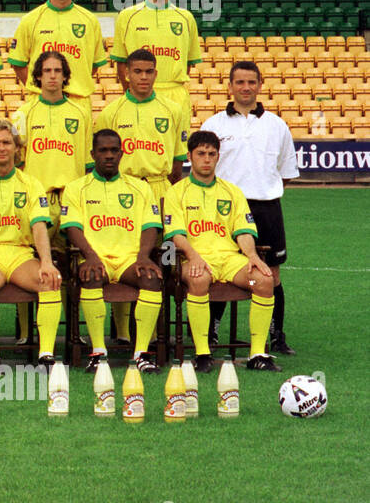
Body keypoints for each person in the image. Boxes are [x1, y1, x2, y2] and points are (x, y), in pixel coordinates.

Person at [164, 130, 281, 373]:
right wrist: (195, 256)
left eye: (211, 154)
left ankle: (258, 353)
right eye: (201, 154)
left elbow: (244, 231)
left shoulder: (232, 192)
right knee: (199, 279)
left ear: (218, 157)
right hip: (193, 259)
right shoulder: (176, 192)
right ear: (189, 156)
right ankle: (202, 353)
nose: (206, 159)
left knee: (262, 280)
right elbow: (176, 235)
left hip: (230, 263)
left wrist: (252, 256)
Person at [203, 60, 298, 355]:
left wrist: (262, 191)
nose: (246, 87)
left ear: (260, 85)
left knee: (272, 273)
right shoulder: (213, 125)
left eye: (251, 82)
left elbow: (285, 172)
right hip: (224, 209)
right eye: (240, 82)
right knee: (219, 270)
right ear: (229, 86)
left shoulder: (277, 125)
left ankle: (275, 336)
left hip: (266, 207)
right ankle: (212, 332)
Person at [93, 47, 186, 345]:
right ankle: (121, 332)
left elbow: (176, 163)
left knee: (166, 256)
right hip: (124, 190)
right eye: (137, 71)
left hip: (160, 189)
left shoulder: (173, 110)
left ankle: (160, 327)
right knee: (123, 254)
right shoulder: (111, 111)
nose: (143, 77)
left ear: (156, 74)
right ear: (126, 74)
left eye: (149, 72)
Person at [60, 129, 166, 373]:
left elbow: (151, 226)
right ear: (93, 154)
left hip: (129, 259)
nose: (109, 155)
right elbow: (72, 227)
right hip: (97, 258)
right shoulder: (76, 188)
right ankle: (99, 353)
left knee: (151, 278)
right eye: (103, 151)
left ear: (122, 153)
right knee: (91, 275)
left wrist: (143, 257)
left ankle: (141, 354)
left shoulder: (139, 187)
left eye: (114, 150)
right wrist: (90, 256)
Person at [0, 120, 62, 368]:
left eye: (7, 142)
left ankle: (46, 354)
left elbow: (39, 226)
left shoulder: (30, 184)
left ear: (17, 148)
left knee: (49, 279)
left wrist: (46, 262)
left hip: (19, 255)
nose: (1, 148)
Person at [9, 50, 92, 345]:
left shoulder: (80, 113)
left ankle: (73, 330)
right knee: (29, 260)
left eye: (58, 71)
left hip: (69, 199)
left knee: (73, 263)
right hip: (36, 200)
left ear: (65, 76)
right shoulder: (24, 113)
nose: (53, 76)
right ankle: (24, 331)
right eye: (47, 71)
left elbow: (87, 163)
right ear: (38, 77)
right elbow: (16, 164)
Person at [111, 0, 202, 124]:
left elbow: (188, 63)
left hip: (175, 94)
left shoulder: (186, 18)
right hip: (139, 94)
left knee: (176, 147)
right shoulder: (127, 16)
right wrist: (131, 92)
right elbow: (122, 62)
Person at [8, 0, 106, 99]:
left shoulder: (90, 20)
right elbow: (18, 63)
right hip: (40, 100)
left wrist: (74, 85)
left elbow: (93, 65)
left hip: (78, 100)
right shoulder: (30, 20)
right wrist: (40, 89)